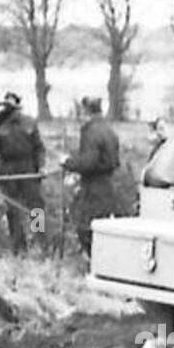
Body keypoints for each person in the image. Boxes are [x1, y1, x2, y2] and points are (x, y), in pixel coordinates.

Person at [0, 91, 45, 253]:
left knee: (36, 208)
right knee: (13, 209)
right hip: (8, 171)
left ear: (18, 108)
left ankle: (39, 243)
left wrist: (42, 166)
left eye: (12, 108)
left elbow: (39, 148)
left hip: (28, 169)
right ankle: (18, 248)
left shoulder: (30, 123)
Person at [64, 96, 123, 256]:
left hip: (93, 187)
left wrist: (68, 163)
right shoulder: (109, 130)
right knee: (100, 226)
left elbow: (89, 162)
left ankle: (39, 241)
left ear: (86, 111)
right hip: (107, 185)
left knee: (86, 226)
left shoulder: (91, 132)